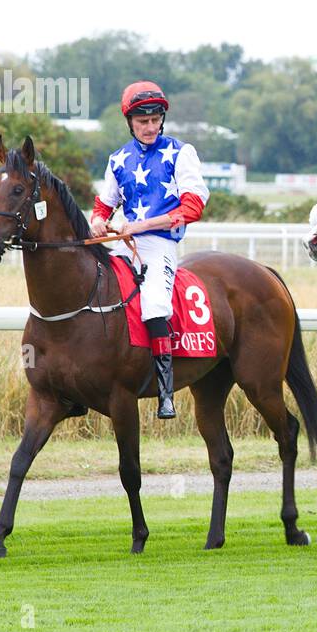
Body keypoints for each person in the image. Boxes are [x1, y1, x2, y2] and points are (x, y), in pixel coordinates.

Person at [89, 81, 210, 418]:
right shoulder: (118, 160)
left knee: (155, 303)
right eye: (143, 121)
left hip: (159, 245)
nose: (150, 127)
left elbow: (193, 207)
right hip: (125, 244)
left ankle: (164, 388)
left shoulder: (181, 153)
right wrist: (98, 221)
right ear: (130, 122)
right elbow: (103, 205)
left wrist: (143, 225)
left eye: (155, 119)